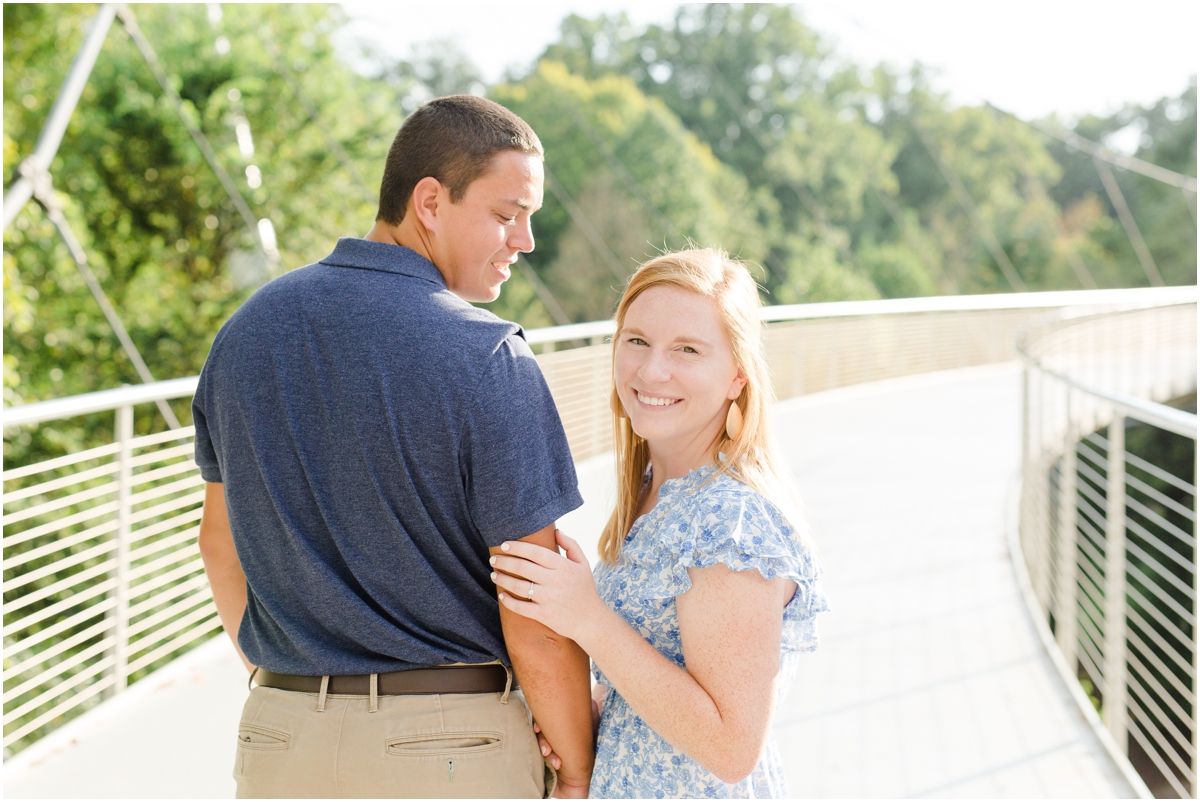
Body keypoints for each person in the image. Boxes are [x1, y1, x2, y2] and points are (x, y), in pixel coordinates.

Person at [194, 95, 594, 798]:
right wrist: (578, 769)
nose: (525, 241)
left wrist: (282, 682)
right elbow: (532, 609)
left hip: (279, 740)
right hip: (448, 750)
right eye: (506, 215)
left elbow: (218, 546)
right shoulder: (489, 354)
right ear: (431, 201)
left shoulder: (244, 335)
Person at [488, 249, 829, 798]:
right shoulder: (657, 492)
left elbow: (730, 747)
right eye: (637, 341)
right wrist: (605, 715)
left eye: (687, 350)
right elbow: (671, 684)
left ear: (737, 375)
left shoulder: (729, 521)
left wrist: (588, 618)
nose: (651, 371)